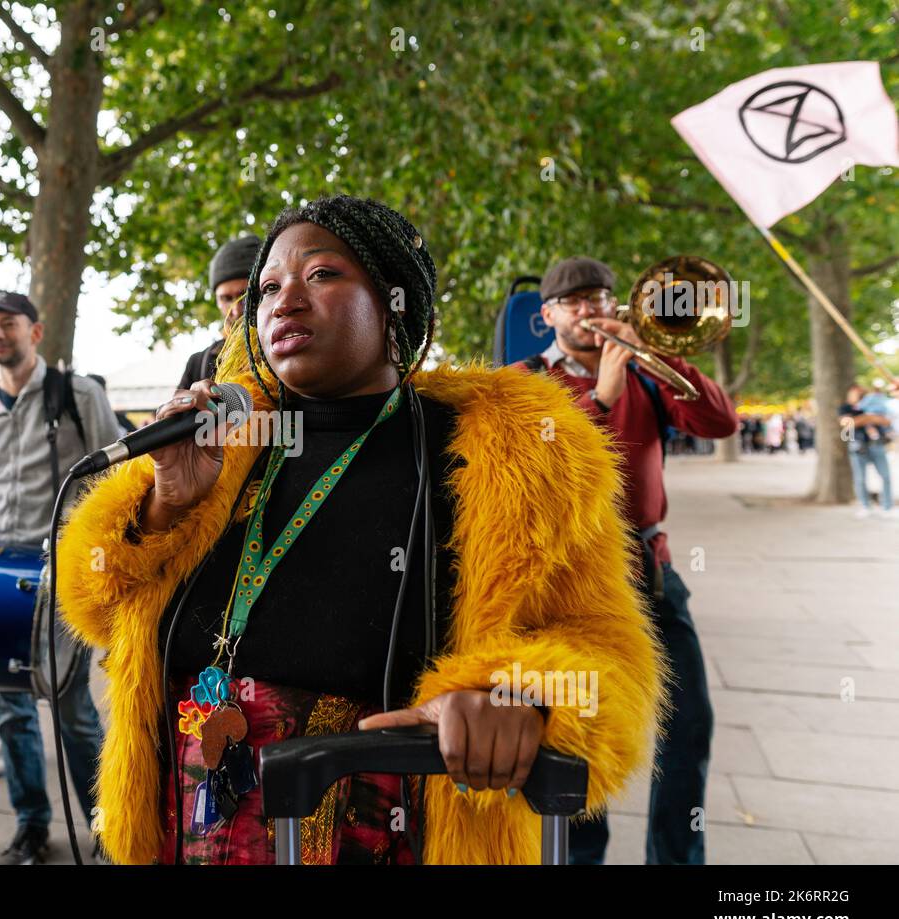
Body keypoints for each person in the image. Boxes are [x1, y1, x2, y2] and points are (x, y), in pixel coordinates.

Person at [55, 196, 664, 865]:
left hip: (391, 838)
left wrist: (516, 696)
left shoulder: (517, 454)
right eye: (267, 288)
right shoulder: (222, 447)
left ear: (396, 303)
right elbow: (97, 611)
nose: (285, 301)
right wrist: (166, 505)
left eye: (321, 275)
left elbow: (612, 660)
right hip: (190, 827)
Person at [521, 255, 738, 865]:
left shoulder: (648, 373)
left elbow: (719, 420)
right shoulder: (526, 379)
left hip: (650, 571)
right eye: (577, 301)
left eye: (603, 297)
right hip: (572, 584)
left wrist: (659, 358)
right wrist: (602, 395)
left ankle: (676, 859)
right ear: (548, 316)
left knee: (687, 725)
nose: (594, 310)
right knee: (577, 735)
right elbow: (547, 473)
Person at [0, 290, 119, 864]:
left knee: (73, 711)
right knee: (11, 711)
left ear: (36, 331)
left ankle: (108, 826)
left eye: (9, 324)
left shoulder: (78, 394)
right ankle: (30, 827)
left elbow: (116, 473)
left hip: (61, 572)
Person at [177, 235, 262, 391]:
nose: (236, 310)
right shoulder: (198, 364)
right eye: (226, 298)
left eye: (245, 296)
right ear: (216, 300)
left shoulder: (290, 352)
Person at [839, 383, 894, 518]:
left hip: (876, 444)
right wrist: (868, 418)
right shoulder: (845, 407)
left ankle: (887, 507)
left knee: (885, 476)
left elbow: (886, 421)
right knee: (860, 478)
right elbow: (846, 423)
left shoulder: (874, 404)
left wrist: (860, 419)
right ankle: (865, 506)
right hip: (857, 444)